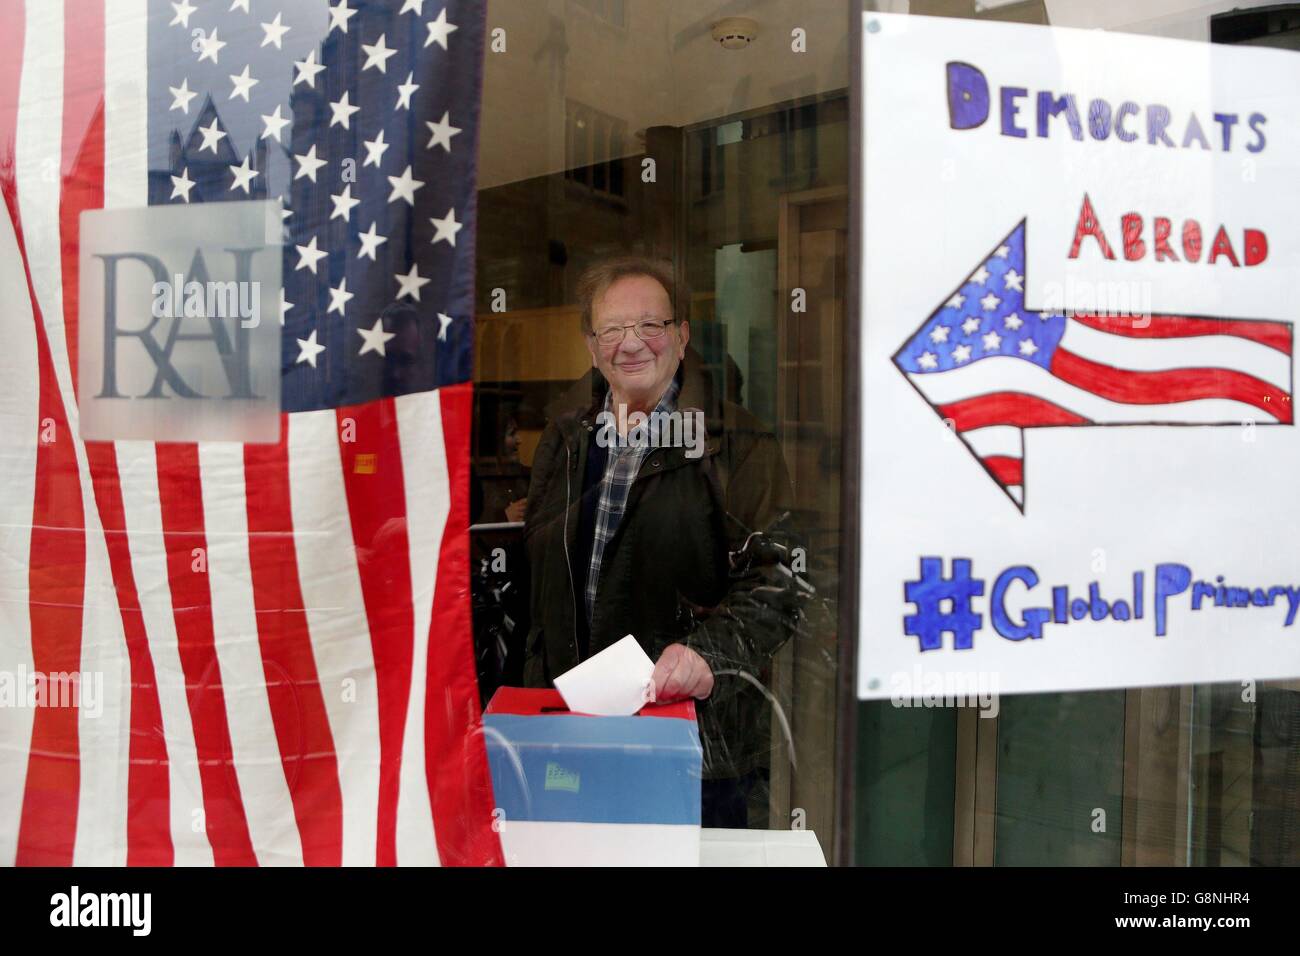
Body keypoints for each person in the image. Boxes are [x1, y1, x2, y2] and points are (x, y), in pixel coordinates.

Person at [520, 255, 803, 828]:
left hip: (688, 742)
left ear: (681, 336)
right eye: (613, 329)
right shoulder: (566, 437)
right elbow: (541, 580)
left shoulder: (737, 443)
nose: (632, 344)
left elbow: (782, 580)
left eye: (650, 325)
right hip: (571, 727)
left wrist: (708, 654)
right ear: (591, 345)